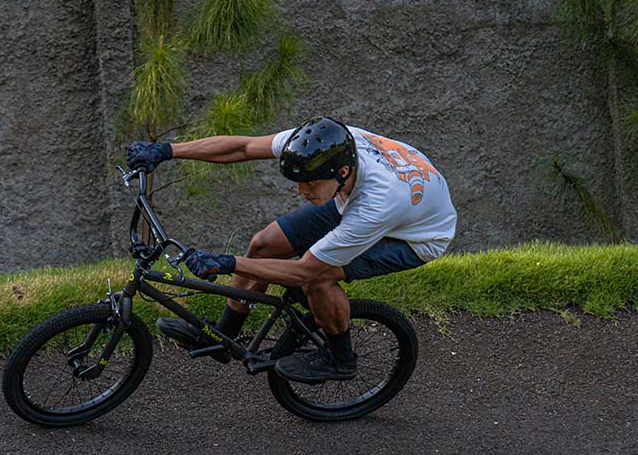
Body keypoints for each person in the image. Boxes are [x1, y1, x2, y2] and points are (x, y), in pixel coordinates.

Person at [126, 116, 457, 384]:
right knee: (263, 245)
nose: (300, 191)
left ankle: (340, 359)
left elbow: (304, 270)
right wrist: (166, 150)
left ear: (341, 173)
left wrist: (227, 262)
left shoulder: (377, 205)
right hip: (355, 196)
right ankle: (222, 335)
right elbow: (241, 148)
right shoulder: (323, 145)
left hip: (415, 235)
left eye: (309, 184)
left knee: (316, 281)